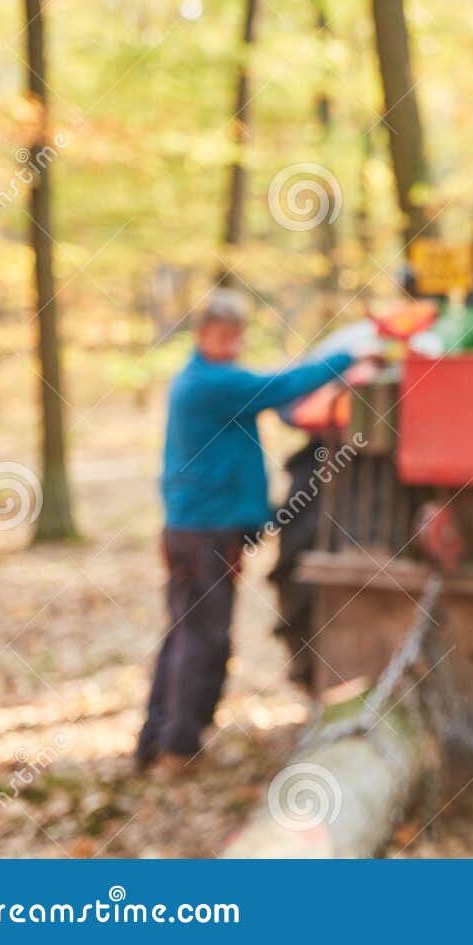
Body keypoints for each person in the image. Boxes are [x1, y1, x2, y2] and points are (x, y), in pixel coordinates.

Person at [135, 289, 366, 775]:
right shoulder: (209, 384)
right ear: (202, 336)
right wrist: (351, 354)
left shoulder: (206, 380)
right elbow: (284, 387)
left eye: (238, 337)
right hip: (204, 533)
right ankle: (176, 748)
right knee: (204, 638)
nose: (233, 345)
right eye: (224, 336)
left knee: (186, 631)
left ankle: (158, 740)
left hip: (201, 528)